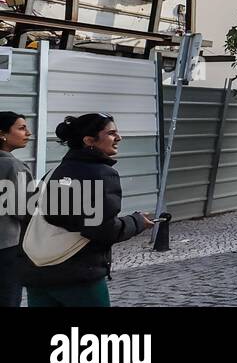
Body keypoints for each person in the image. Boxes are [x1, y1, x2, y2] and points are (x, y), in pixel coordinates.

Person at [18, 113, 153, 307]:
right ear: (89, 140)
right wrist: (137, 222)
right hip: (78, 276)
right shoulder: (101, 174)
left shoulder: (55, 172)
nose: (119, 138)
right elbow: (103, 230)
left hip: (38, 274)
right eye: (112, 133)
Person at [0, 111, 32, 307]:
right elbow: (24, 210)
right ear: (2, 133)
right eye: (21, 128)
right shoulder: (14, 166)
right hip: (7, 247)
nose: (27, 133)